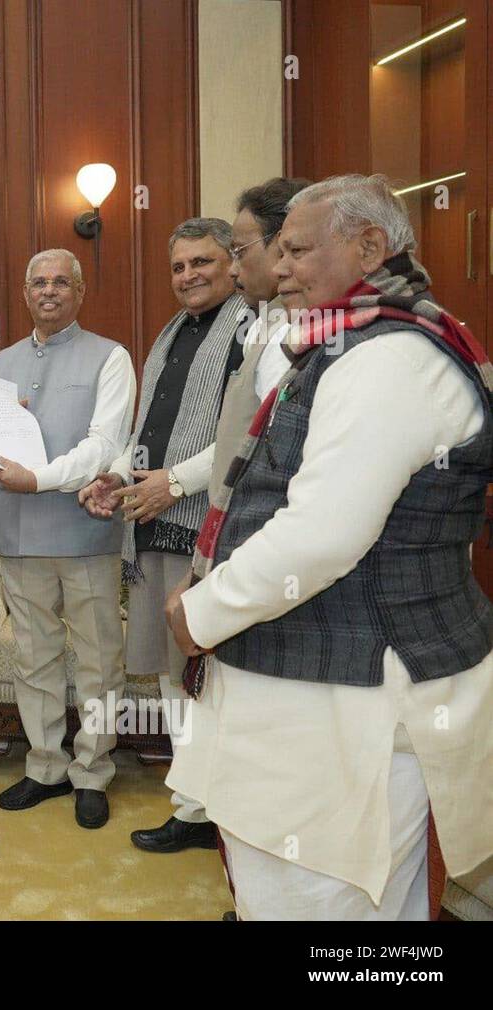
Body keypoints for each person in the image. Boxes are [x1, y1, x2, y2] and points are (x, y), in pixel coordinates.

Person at [166, 174, 493, 920]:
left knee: (319, 906)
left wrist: (201, 611)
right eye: (277, 251)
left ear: (370, 245)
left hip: (347, 709)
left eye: (297, 251)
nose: (278, 269)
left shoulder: (388, 359)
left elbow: (323, 537)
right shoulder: (349, 343)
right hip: (314, 704)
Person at [76, 219, 245, 841]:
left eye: (202, 262)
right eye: (178, 266)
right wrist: (117, 476)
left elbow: (237, 439)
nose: (188, 276)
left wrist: (170, 485)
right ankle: (192, 806)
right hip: (153, 527)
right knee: (175, 674)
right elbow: (148, 431)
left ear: (233, 262)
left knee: (210, 673)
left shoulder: (250, 331)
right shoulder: (172, 334)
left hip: (207, 528)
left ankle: (216, 808)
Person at [0, 249, 135, 829]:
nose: (50, 291)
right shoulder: (0, 363)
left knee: (98, 663)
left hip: (87, 531)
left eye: (62, 282)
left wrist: (39, 477)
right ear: (25, 293)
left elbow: (105, 446)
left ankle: (93, 771)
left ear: (80, 293)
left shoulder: (111, 357)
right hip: (19, 534)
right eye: (39, 282)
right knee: (34, 660)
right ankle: (45, 768)